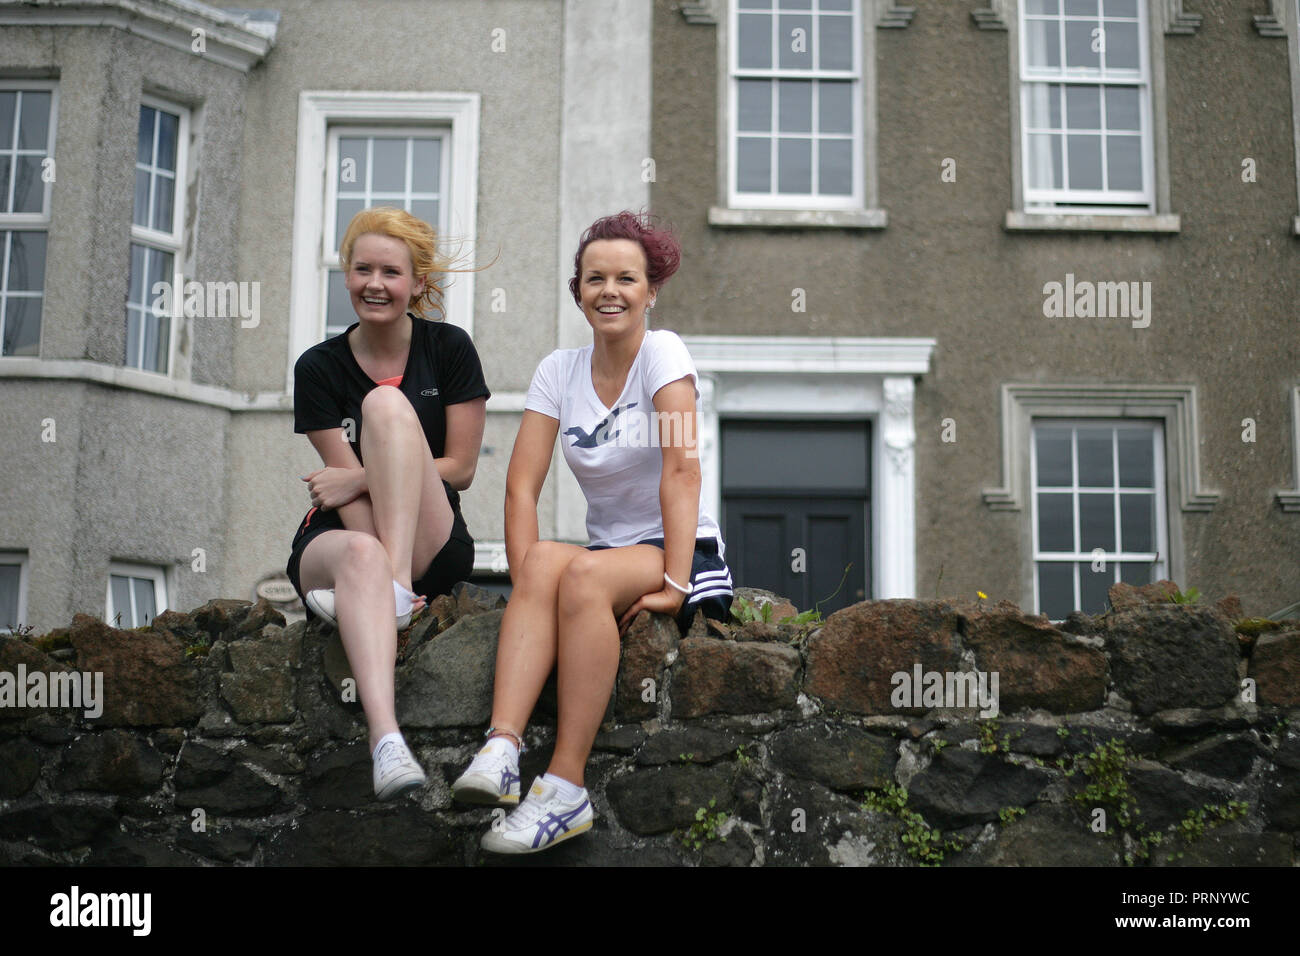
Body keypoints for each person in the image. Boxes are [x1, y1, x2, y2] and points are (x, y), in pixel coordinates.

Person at [452, 210, 732, 853]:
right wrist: (529, 585)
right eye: (595, 278)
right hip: (608, 551)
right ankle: (501, 748)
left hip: (677, 544)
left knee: (576, 572)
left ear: (650, 291)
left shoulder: (665, 354)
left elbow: (683, 468)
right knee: (550, 561)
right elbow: (522, 484)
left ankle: (565, 787)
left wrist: (675, 580)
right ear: (577, 291)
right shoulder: (559, 371)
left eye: (626, 278)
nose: (610, 290)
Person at [286, 206, 489, 801]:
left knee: (384, 407)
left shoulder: (449, 349)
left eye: (391, 272)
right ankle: (386, 742)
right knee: (361, 559)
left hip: (432, 532)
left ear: (418, 282)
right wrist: (360, 487)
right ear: (346, 275)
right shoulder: (318, 367)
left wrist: (362, 475)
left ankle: (394, 585)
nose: (375, 283)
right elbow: (344, 496)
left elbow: (462, 468)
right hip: (348, 532)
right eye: (361, 269)